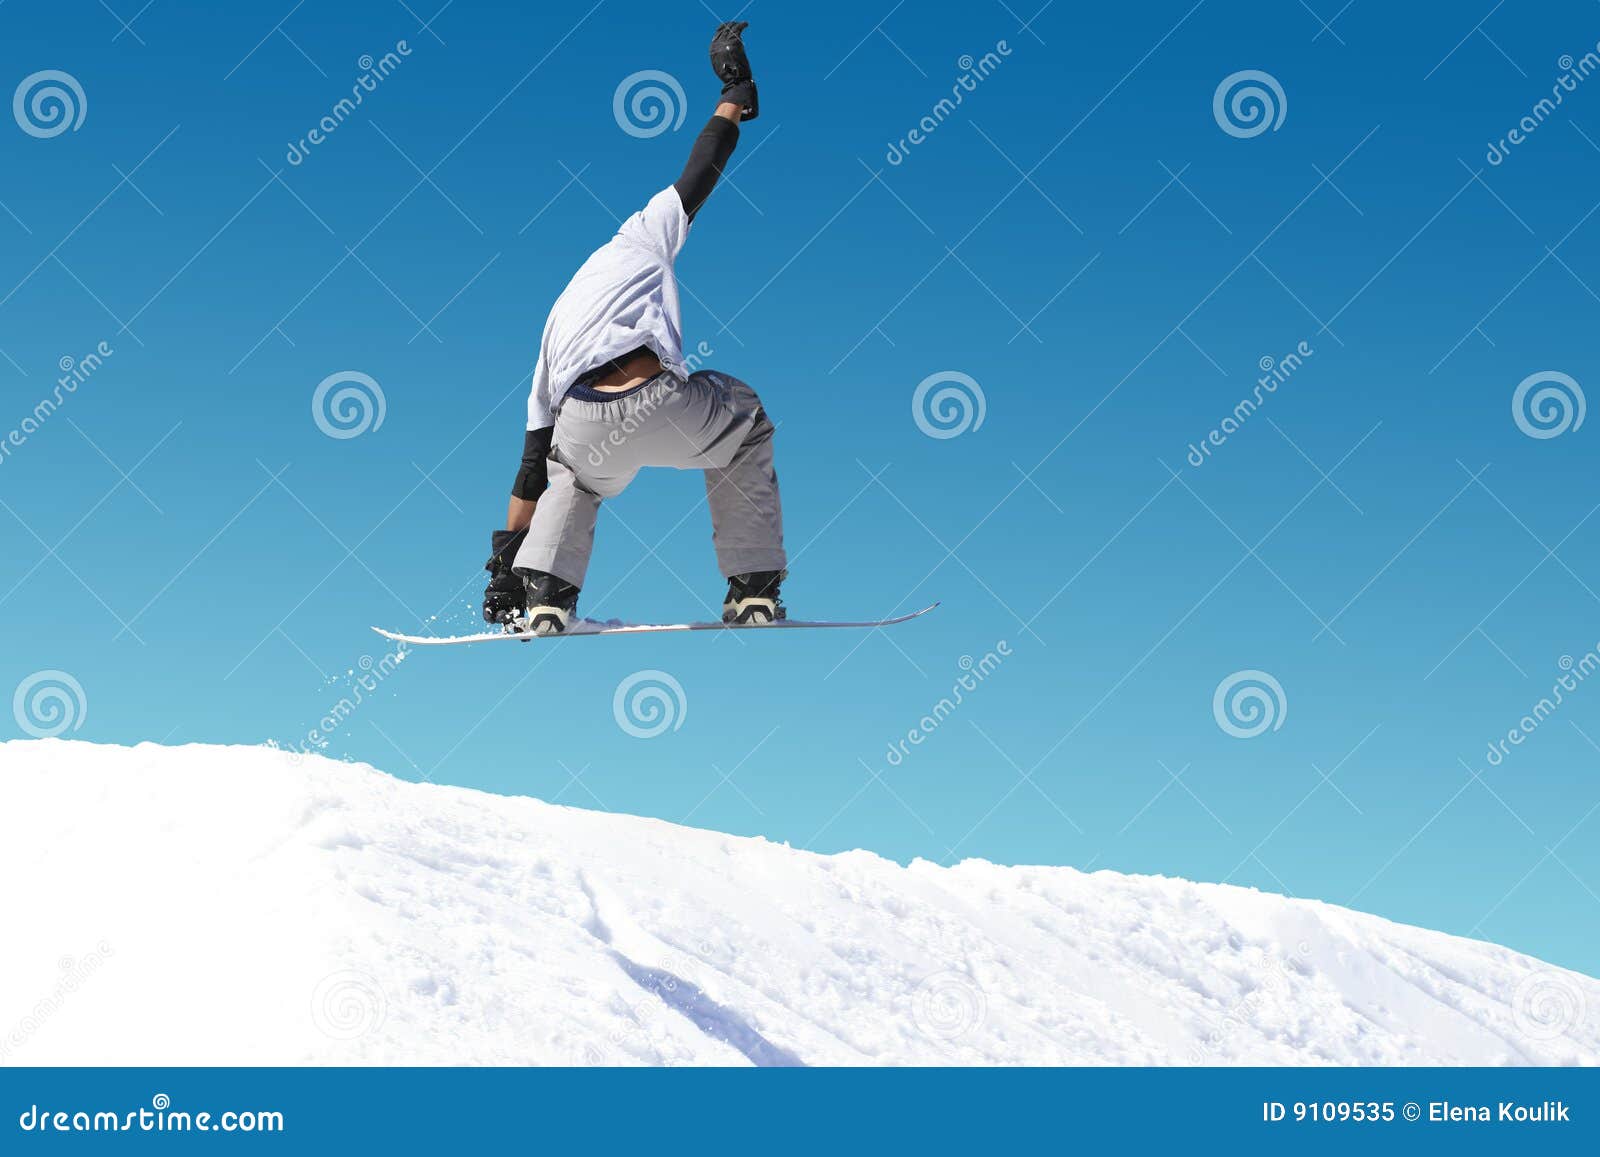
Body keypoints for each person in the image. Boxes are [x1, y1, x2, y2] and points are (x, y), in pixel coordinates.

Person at [482, 21, 787, 636]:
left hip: (585, 422)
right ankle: (752, 589)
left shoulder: (553, 327)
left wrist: (501, 567)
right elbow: (700, 172)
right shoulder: (638, 238)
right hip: (664, 405)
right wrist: (735, 94)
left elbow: (529, 466)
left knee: (570, 471)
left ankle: (546, 593)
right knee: (746, 422)